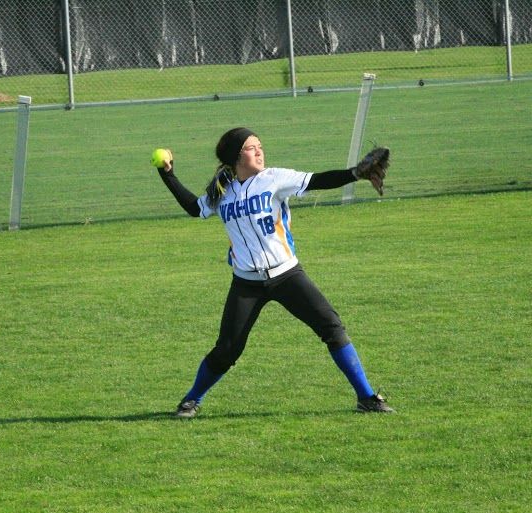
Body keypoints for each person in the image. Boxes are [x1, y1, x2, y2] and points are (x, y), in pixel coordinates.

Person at [154, 127, 393, 418]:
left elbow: (317, 180)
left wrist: (354, 174)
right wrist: (168, 174)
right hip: (246, 283)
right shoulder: (222, 190)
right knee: (227, 350)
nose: (259, 151)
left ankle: (366, 397)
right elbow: (195, 208)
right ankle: (191, 400)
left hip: (287, 275)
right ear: (236, 156)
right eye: (251, 147)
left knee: (332, 327)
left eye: (260, 146)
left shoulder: (274, 179)